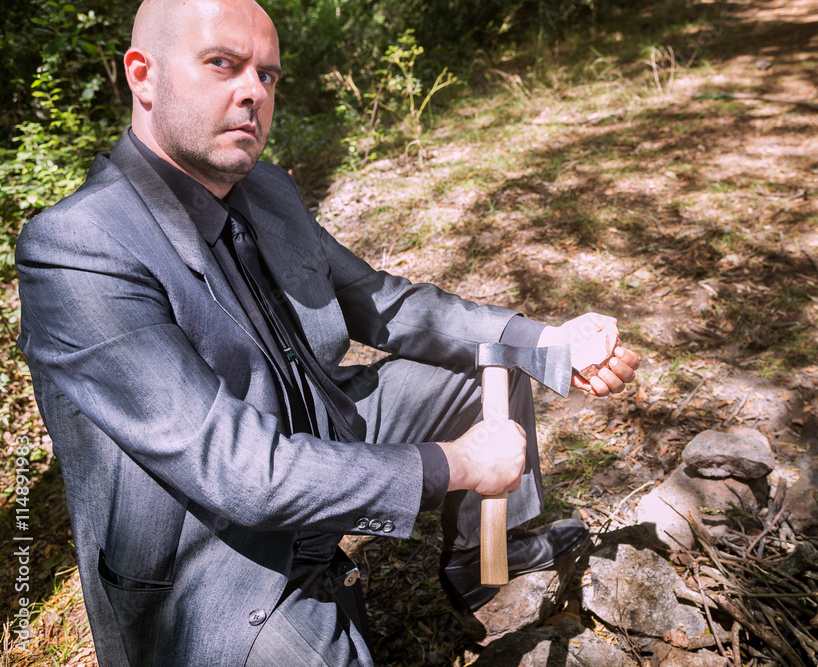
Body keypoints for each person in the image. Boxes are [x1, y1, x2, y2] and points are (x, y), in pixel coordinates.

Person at [15, 0, 641, 664]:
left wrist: (545, 341)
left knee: (486, 368)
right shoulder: (78, 248)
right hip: (213, 564)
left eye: (269, 75)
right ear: (143, 75)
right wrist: (458, 463)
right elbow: (238, 469)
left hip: (319, 435)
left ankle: (486, 567)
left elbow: (384, 303)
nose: (254, 91)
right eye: (223, 64)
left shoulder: (268, 191)